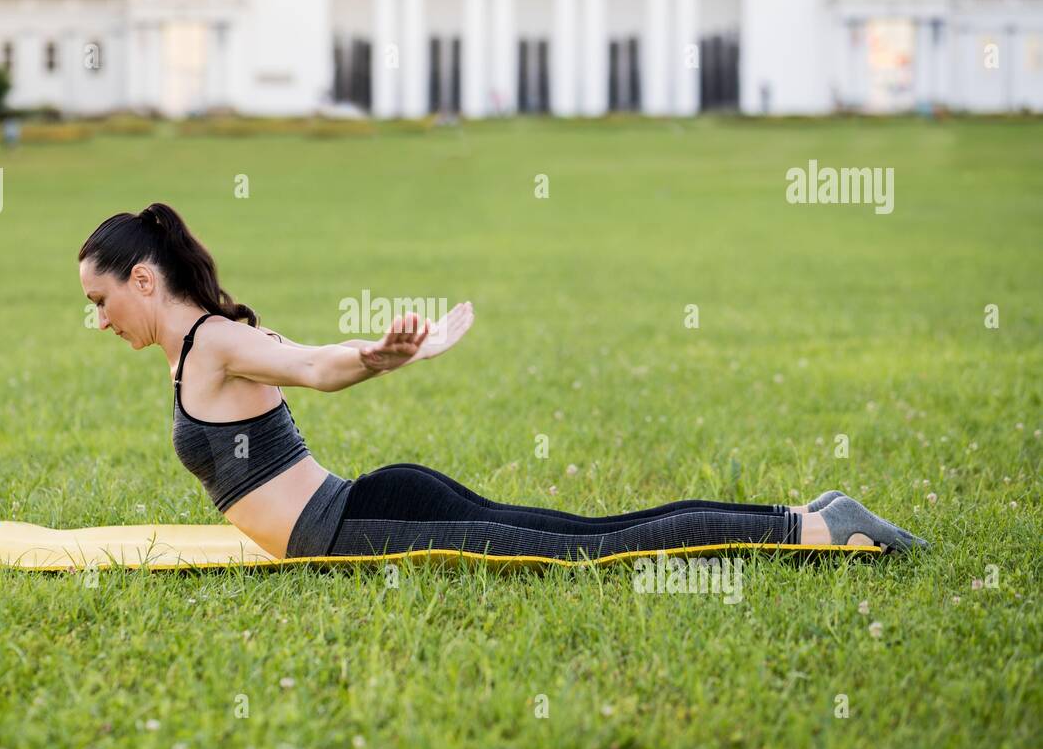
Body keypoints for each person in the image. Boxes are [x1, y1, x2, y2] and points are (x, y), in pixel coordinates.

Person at [78, 202, 930, 562]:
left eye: (101, 298)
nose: (99, 316)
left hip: (363, 520)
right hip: (375, 503)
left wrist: (375, 358)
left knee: (586, 549)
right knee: (587, 530)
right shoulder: (196, 348)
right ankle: (811, 516)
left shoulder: (216, 340)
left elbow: (309, 364)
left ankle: (812, 531)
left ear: (144, 280)